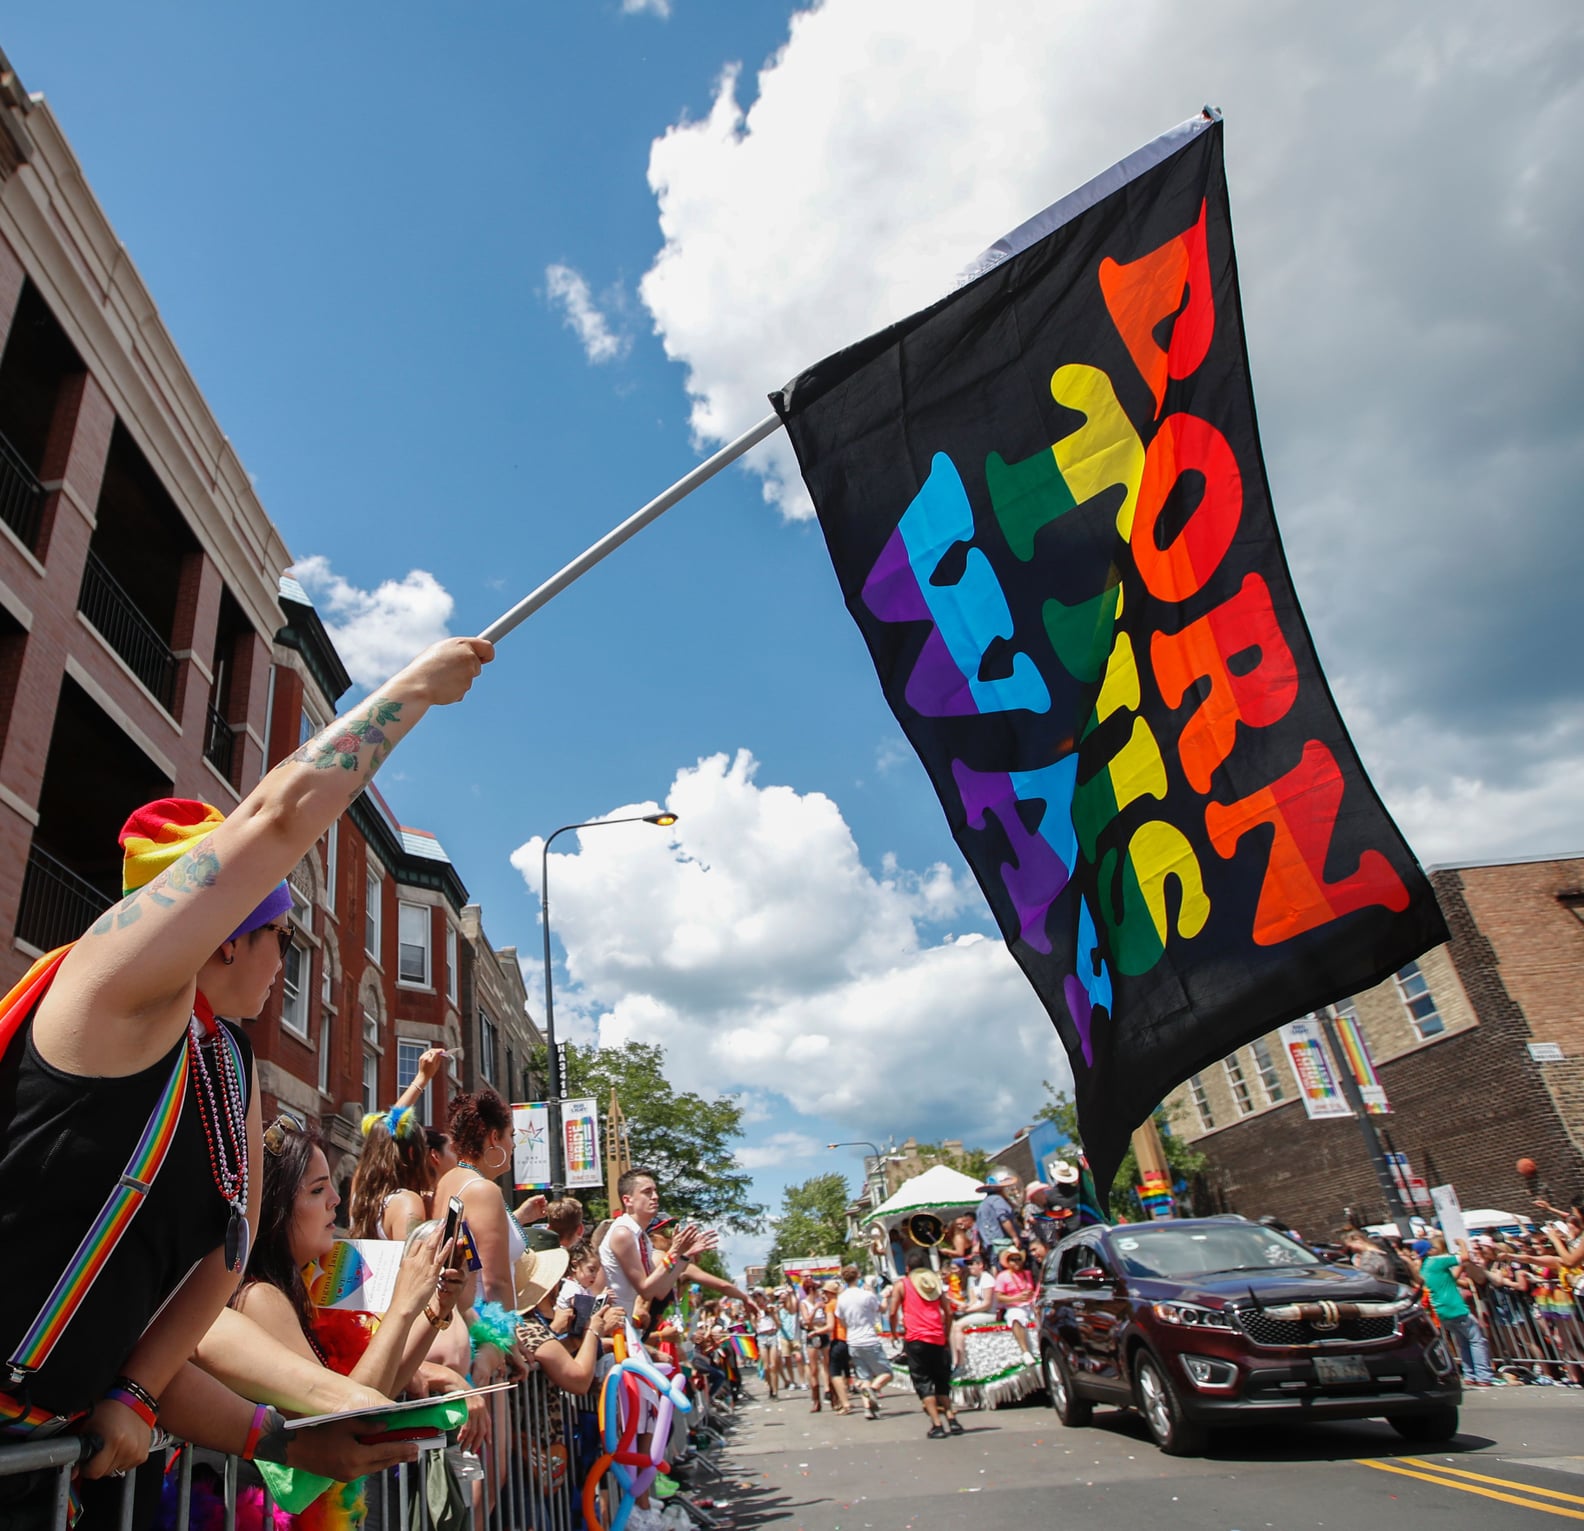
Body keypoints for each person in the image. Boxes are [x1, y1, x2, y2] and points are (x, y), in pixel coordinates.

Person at [0, 632, 487, 1511]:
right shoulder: (108, 994)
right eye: (281, 935)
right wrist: (417, 690)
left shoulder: (224, 1065)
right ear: (225, 930)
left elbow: (212, 1276)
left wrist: (154, 1392)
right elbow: (274, 818)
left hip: (44, 1460)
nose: (287, 959)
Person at [886, 1250, 961, 1439]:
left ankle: (937, 1425)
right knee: (941, 1380)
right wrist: (945, 1333)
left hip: (916, 1338)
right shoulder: (934, 1284)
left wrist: (894, 1332)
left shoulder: (902, 1285)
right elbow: (949, 1312)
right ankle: (951, 1418)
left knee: (923, 1382)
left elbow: (893, 1311)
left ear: (907, 1268)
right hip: (937, 1337)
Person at [1409, 1231, 1496, 1386]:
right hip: (1454, 1306)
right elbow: (1464, 1257)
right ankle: (1483, 1376)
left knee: (1463, 1341)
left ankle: (1470, 1375)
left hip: (1442, 1310)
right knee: (1477, 1340)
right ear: (1429, 1250)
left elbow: (1452, 1278)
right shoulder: (1435, 1261)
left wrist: (1462, 1268)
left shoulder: (1423, 1269)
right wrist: (1462, 1243)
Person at [835, 1265, 893, 1420]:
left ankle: (868, 1408)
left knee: (864, 1376)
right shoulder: (866, 1295)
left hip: (853, 1340)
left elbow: (841, 1320)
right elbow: (881, 1309)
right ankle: (874, 1389)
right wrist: (886, 1296)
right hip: (868, 1338)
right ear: (858, 1275)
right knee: (887, 1372)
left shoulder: (842, 1298)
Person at [993, 1248, 1039, 1365]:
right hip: (1014, 1305)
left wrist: (1031, 1295)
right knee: (1015, 1318)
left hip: (1030, 1304)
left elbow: (1034, 1290)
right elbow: (999, 1296)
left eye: (1018, 1259)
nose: (1016, 1262)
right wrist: (1016, 1298)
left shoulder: (1028, 1274)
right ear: (1008, 1262)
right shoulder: (1002, 1276)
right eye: (1013, 1260)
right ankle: (1026, 1353)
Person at [974, 1169, 1023, 1267]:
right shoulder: (997, 1200)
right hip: (1004, 1244)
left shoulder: (982, 1205)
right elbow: (1003, 1218)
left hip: (990, 1246)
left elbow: (978, 1228)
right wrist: (1014, 1236)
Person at [799, 1277, 833, 1413]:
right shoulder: (804, 1303)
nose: (819, 1293)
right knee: (814, 1369)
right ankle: (816, 1400)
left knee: (827, 1364)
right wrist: (815, 1309)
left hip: (823, 1333)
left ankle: (831, 1394)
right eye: (817, 1289)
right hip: (812, 1334)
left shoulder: (822, 1303)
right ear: (811, 1290)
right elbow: (807, 1321)